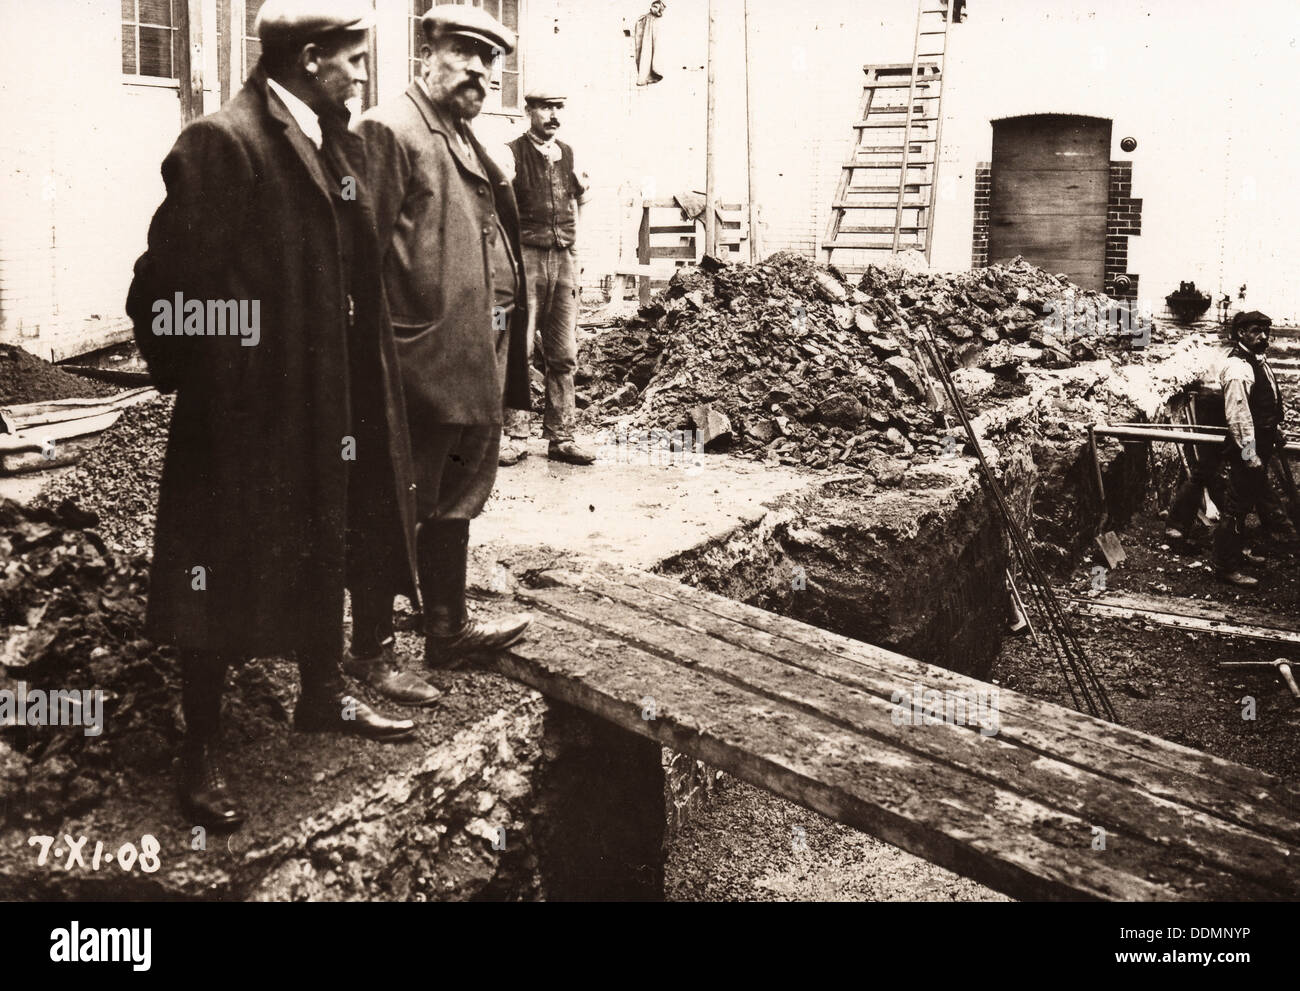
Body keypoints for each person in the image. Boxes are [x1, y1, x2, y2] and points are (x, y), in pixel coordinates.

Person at [125, 0, 422, 833]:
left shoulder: (341, 144)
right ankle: (202, 750)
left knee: (328, 532)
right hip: (249, 417)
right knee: (213, 571)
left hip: (333, 402)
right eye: (353, 61)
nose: (363, 76)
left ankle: (322, 695)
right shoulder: (224, 142)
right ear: (310, 58)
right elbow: (164, 292)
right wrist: (234, 376)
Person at [350, 4, 532, 694]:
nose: (480, 71)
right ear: (426, 56)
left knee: (456, 495)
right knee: (390, 501)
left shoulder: (461, 137)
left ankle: (446, 631)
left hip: (472, 358)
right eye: (463, 53)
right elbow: (354, 260)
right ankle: (369, 651)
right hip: (415, 365)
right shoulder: (390, 129)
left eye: (489, 61)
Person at [501, 88, 596, 467]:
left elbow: (578, 205)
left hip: (564, 261)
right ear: (529, 111)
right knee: (519, 351)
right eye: (546, 108)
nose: (553, 115)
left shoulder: (568, 154)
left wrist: (576, 255)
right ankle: (515, 436)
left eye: (559, 107)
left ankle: (562, 437)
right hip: (526, 260)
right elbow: (499, 206)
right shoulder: (511, 153)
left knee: (564, 353)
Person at [1212, 311, 1289, 586]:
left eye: (1266, 331)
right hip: (1247, 450)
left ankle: (1239, 552)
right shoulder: (1237, 367)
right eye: (1256, 331)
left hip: (1262, 444)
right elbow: (1238, 415)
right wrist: (1249, 454)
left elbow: (1263, 402)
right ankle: (1225, 567)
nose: (1263, 337)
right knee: (1235, 507)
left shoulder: (1257, 360)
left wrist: (1273, 429)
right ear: (1241, 333)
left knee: (1244, 505)